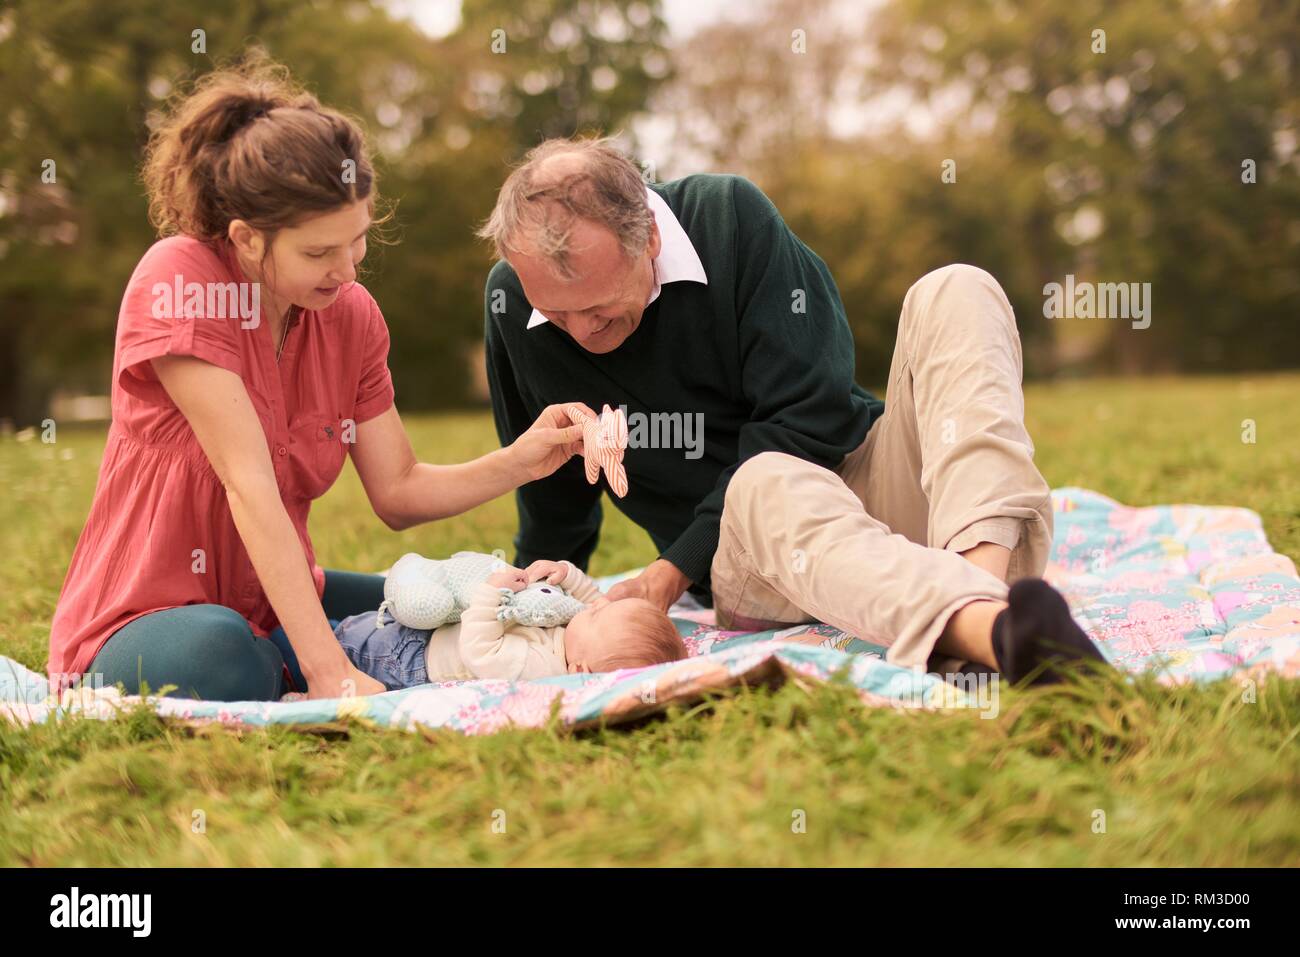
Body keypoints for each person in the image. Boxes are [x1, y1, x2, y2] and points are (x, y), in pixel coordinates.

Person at [45, 57, 591, 703]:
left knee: (467, 600)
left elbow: (399, 490)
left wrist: (523, 460)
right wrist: (329, 669)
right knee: (226, 652)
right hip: (143, 619)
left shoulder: (350, 316)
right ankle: (311, 661)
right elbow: (249, 486)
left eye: (356, 240)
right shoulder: (181, 280)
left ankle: (316, 653)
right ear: (248, 239)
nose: (347, 271)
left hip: (279, 606)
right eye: (318, 252)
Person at [479, 136, 1110, 686]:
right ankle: (991, 633)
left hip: (875, 497)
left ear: (646, 235)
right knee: (765, 479)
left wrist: (668, 572)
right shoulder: (510, 304)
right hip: (756, 565)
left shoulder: (729, 218)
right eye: (557, 317)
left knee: (957, 288)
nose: (583, 333)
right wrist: (527, 601)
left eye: (601, 307)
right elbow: (551, 479)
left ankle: (987, 587)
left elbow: (811, 412)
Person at [328, 558, 686, 691]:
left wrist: (490, 594)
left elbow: (480, 650)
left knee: (337, 643)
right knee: (340, 625)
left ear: (580, 670)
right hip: (428, 635)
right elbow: (593, 599)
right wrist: (566, 573)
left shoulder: (539, 668)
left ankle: (293, 658)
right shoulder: (581, 639)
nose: (593, 606)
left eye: (595, 615)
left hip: (406, 658)